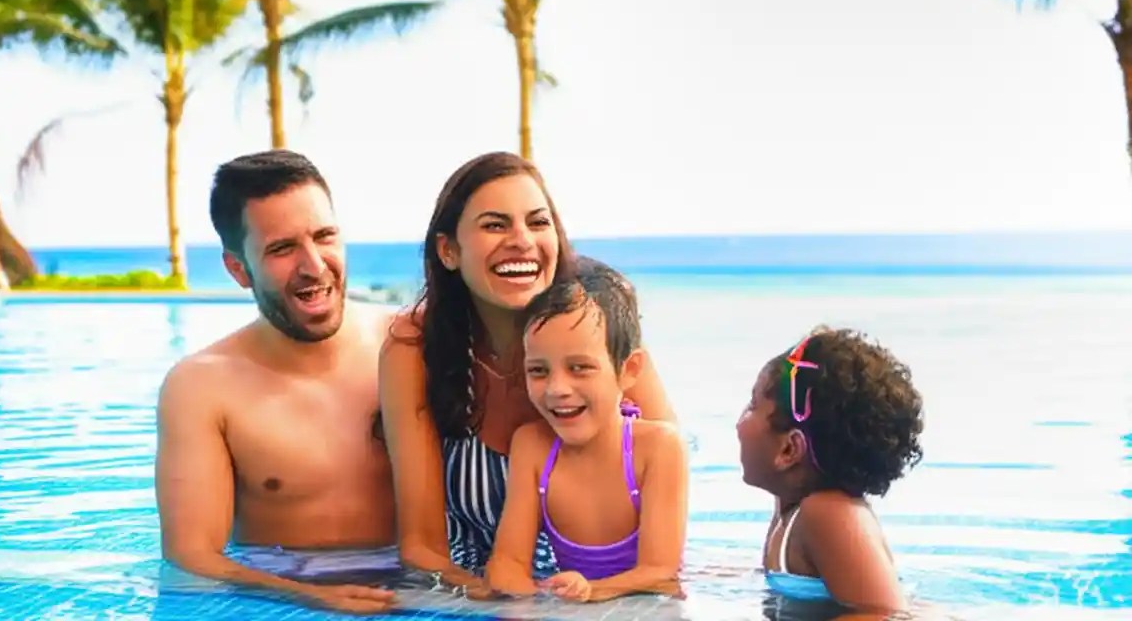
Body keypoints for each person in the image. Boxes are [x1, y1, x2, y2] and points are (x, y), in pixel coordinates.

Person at [378, 151, 678, 591]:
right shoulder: (415, 348)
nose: (522, 240)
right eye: (495, 225)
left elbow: (666, 488)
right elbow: (423, 547)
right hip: (475, 590)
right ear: (449, 250)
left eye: (538, 223)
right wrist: (504, 605)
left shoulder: (595, 327)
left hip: (602, 595)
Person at [155, 150, 398, 615]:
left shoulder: (405, 343)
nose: (314, 266)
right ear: (238, 269)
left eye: (325, 236)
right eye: (282, 249)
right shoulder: (201, 388)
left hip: (418, 593)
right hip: (286, 600)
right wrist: (312, 599)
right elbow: (192, 556)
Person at [485, 260, 688, 603]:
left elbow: (660, 572)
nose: (557, 389)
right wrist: (534, 603)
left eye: (580, 367)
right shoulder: (533, 446)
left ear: (628, 370)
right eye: (538, 370)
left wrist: (593, 591)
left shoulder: (658, 449)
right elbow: (508, 562)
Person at [735, 327, 925, 613]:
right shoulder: (789, 510)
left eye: (752, 405)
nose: (738, 423)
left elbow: (886, 614)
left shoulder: (828, 512)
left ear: (789, 450)